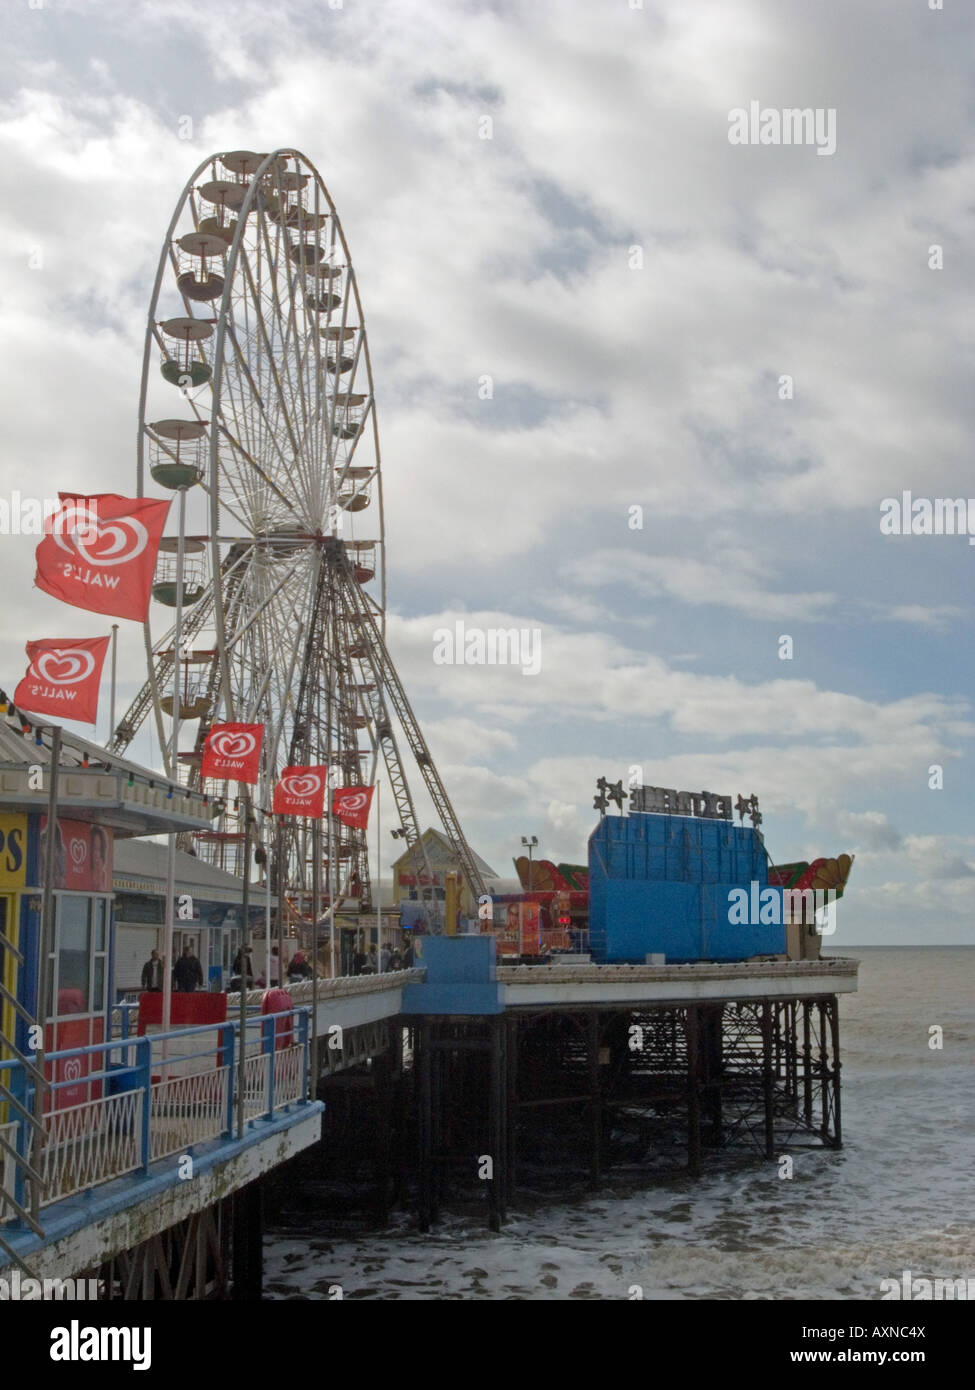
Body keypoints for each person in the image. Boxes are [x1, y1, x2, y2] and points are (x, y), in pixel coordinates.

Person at [90, 825, 111, 892]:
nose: (96, 854)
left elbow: (102, 894)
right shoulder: (85, 871)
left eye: (99, 849)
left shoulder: (103, 874)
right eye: (94, 848)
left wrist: (99, 874)